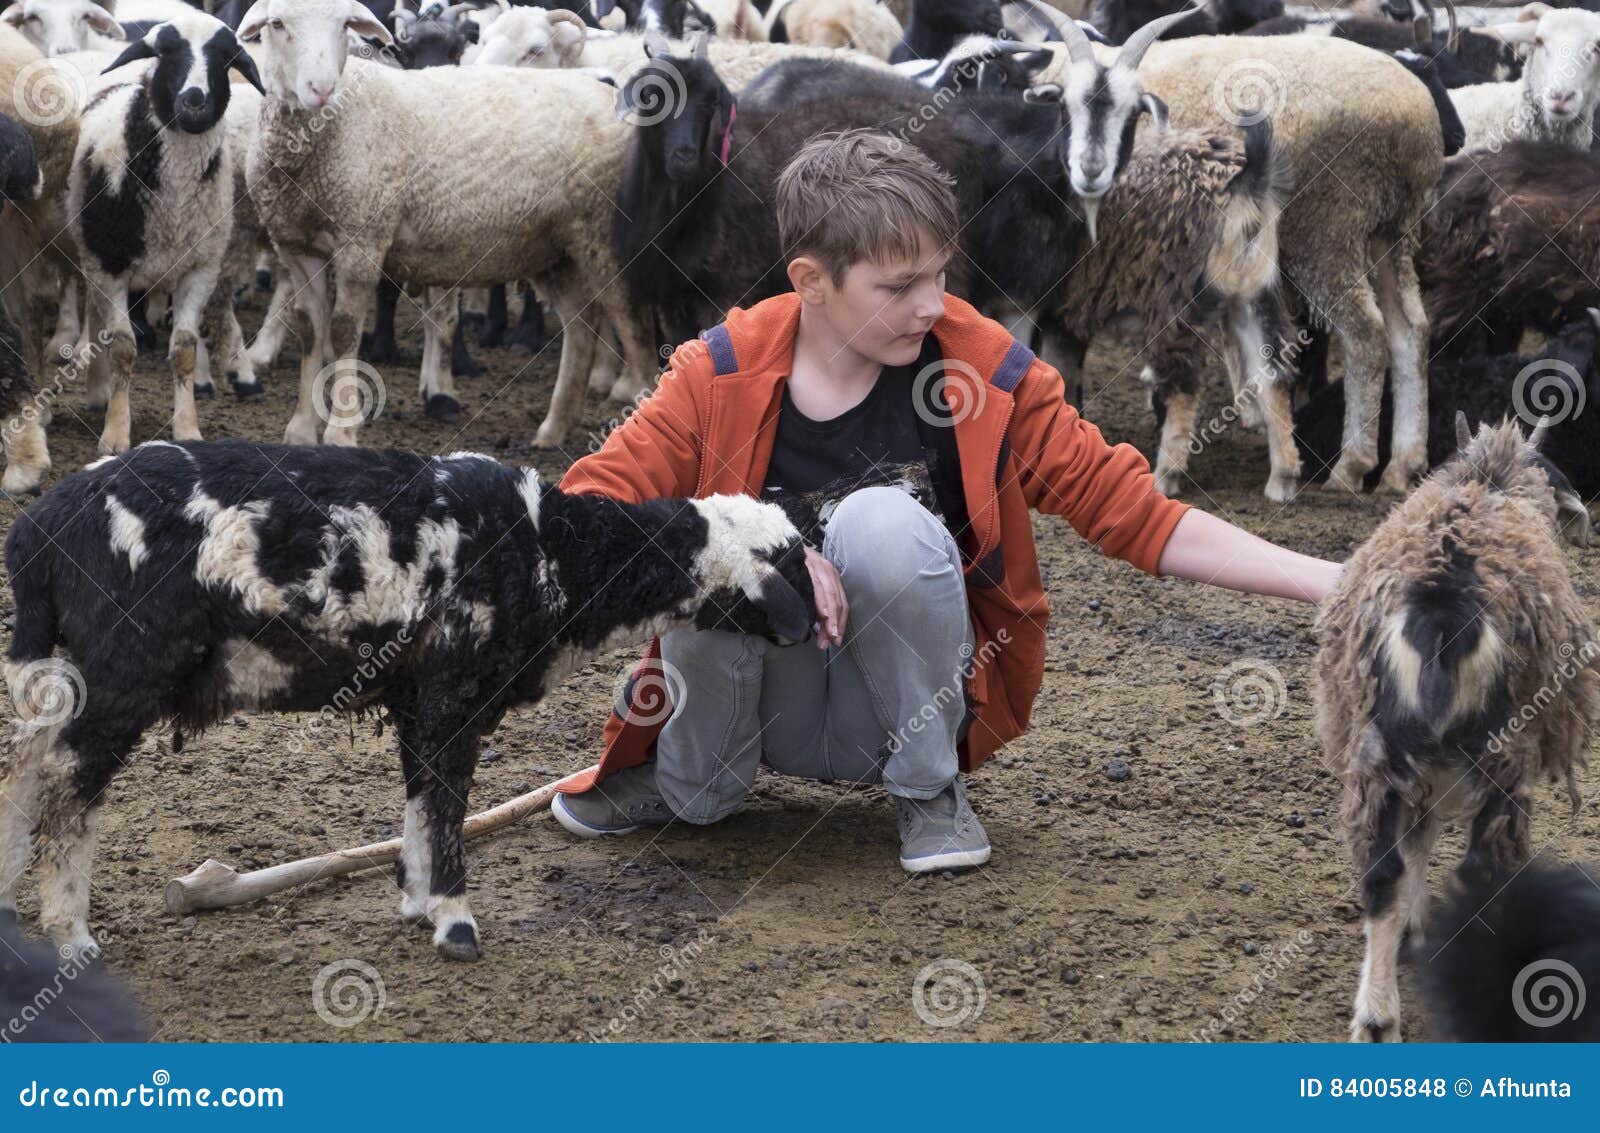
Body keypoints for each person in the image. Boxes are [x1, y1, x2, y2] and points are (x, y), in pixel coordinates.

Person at [550, 129, 1342, 873]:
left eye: (939, 273)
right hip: (754, 710)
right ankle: (692, 782)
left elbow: (1135, 513)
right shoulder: (716, 370)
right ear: (811, 283)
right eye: (901, 286)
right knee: (716, 540)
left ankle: (929, 792)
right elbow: (580, 514)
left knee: (879, 518)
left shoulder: (983, 371)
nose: (933, 304)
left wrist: (1333, 580)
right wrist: (757, 545)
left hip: (893, 715)